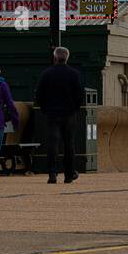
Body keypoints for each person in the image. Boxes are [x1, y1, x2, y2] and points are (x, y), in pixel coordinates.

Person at [34, 46, 84, 184]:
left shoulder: (47, 73)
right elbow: (79, 95)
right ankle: (69, 174)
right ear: (67, 58)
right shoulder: (74, 74)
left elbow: (39, 95)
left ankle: (52, 173)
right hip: (69, 113)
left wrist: (45, 108)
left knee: (52, 142)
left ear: (55, 57)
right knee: (69, 144)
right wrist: (74, 109)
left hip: (52, 113)